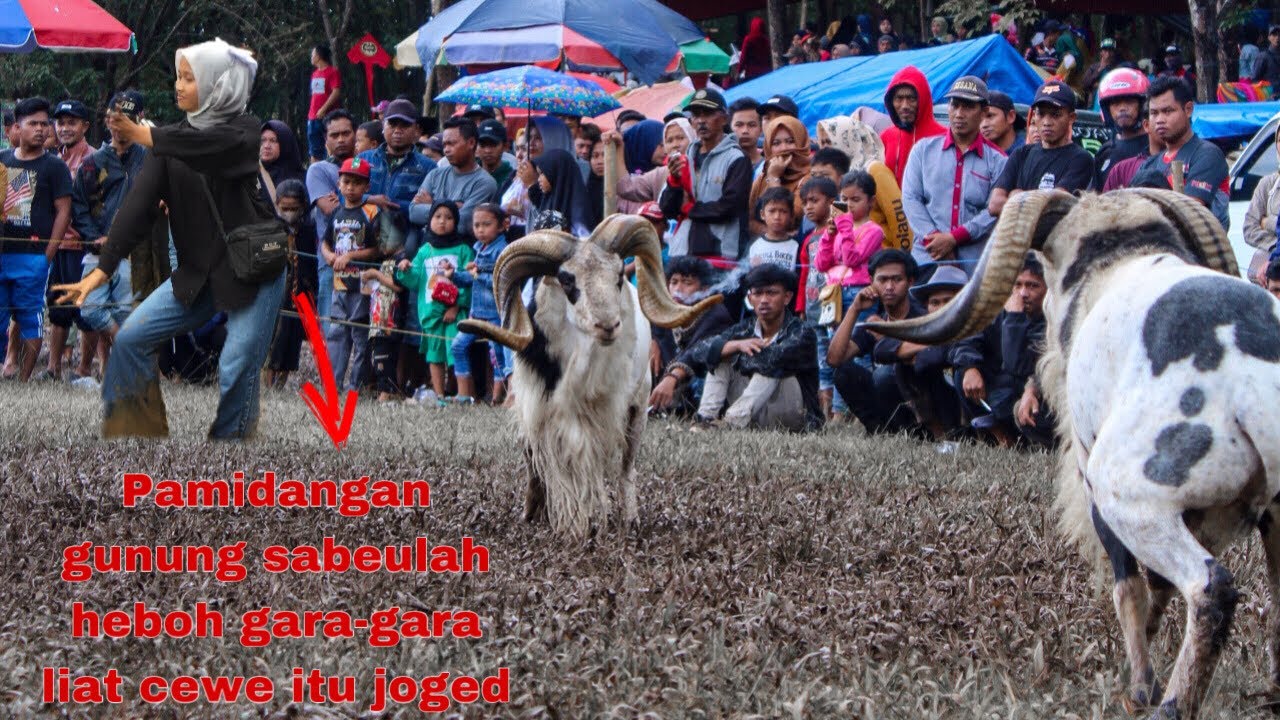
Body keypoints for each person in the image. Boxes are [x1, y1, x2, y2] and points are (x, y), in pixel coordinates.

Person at [54, 39, 284, 438]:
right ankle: (136, 433)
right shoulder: (164, 145)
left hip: (254, 269)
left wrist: (147, 137)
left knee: (237, 361)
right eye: (178, 77)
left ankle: (230, 448)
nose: (178, 86)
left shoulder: (244, 131)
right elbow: (135, 209)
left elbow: (207, 146)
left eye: (189, 79)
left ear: (214, 85)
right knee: (131, 339)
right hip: (199, 274)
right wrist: (102, 268)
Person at [651, 264, 822, 431]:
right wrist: (735, 345)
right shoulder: (744, 329)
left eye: (771, 293)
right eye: (758, 293)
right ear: (749, 299)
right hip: (756, 415)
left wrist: (731, 352)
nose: (763, 300)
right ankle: (705, 420)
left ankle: (730, 422)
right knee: (720, 357)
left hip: (793, 415)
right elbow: (700, 351)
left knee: (769, 366)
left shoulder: (802, 331)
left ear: (787, 297)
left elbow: (772, 360)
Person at [69, 91, 153, 383]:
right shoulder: (93, 163)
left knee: (127, 313)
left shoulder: (152, 159)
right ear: (107, 121)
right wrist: (94, 236)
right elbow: (78, 206)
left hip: (137, 253)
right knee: (90, 309)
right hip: (99, 251)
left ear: (139, 119)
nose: (120, 125)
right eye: (115, 119)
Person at [0, 98, 72, 382]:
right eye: (33, 124)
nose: (41, 129)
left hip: (33, 257)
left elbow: (63, 210)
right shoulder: (2, 160)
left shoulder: (54, 166)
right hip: (2, 251)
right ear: (17, 127)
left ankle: (23, 379)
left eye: (45, 123)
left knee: (30, 318)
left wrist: (48, 254)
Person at [901, 75, 1005, 272]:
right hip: (926, 258)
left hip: (973, 265)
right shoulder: (923, 150)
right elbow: (910, 199)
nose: (959, 113)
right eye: (954, 105)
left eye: (967, 107)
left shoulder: (999, 161)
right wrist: (935, 240)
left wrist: (953, 239)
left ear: (984, 112)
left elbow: (994, 211)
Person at [949, 253, 1048, 447]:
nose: (1023, 293)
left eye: (1032, 286)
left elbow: (1017, 366)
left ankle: (1033, 441)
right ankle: (1002, 438)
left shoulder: (1050, 319)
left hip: (1031, 390)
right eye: (1017, 285)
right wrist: (970, 367)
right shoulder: (996, 309)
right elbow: (964, 341)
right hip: (1000, 388)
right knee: (963, 372)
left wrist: (1014, 320)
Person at [827, 249, 923, 434]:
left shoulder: (921, 317)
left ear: (910, 282)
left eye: (897, 280)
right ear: (871, 282)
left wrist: (889, 336)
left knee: (885, 375)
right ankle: (879, 430)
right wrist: (854, 309)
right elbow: (834, 359)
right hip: (887, 406)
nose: (889, 287)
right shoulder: (877, 320)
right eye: (882, 280)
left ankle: (915, 431)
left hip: (919, 404)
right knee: (845, 373)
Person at [659, 88, 752, 265]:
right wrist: (674, 182)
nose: (701, 121)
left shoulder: (736, 159)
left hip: (719, 253)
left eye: (708, 114)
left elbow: (730, 207)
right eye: (696, 115)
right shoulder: (685, 158)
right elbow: (668, 209)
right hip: (683, 251)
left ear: (724, 118)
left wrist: (690, 209)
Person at [395, 201, 474, 406]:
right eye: (437, 216)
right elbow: (415, 280)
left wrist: (456, 307)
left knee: (456, 349)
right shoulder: (425, 250)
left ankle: (462, 392)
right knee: (434, 352)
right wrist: (404, 269)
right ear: (429, 220)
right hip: (430, 312)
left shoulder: (463, 249)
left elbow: (469, 280)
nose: (442, 222)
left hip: (454, 312)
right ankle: (439, 395)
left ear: (455, 222)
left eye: (448, 218)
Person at [42, 99, 96, 381]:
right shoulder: (53, 159)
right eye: (60, 123)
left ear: (85, 126)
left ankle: (84, 368)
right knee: (57, 307)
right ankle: (53, 368)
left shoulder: (95, 159)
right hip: (57, 245)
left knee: (85, 310)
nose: (64, 128)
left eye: (71, 122)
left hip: (83, 246)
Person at [1135, 76, 1230, 229]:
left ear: (1188, 110)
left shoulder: (1207, 154)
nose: (1159, 119)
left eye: (1167, 111)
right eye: (1154, 113)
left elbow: (1188, 213)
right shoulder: (1149, 165)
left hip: (1200, 249)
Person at [322, 156, 383, 392]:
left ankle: (356, 386)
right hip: (340, 283)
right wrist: (328, 255)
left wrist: (351, 256)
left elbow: (380, 248)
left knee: (359, 333)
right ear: (339, 183)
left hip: (363, 282)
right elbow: (326, 242)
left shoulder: (372, 212)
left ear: (367, 187)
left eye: (357, 183)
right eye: (346, 182)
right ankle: (333, 384)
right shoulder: (336, 213)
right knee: (337, 331)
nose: (350, 187)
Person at [988, 82, 1094, 217]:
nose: (1046, 122)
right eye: (1041, 114)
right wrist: (1031, 201)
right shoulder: (1021, 154)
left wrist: (1017, 196)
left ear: (1071, 118)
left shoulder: (1080, 159)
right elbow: (994, 204)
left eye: (1055, 115)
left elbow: (1055, 207)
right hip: (1014, 235)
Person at [648, 255, 735, 414]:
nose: (678, 289)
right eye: (674, 282)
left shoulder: (716, 314)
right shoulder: (666, 311)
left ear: (703, 289)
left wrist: (672, 378)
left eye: (687, 283)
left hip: (698, 387)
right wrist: (652, 341)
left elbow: (697, 351)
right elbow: (654, 327)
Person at [895, 265, 967, 440]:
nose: (941, 308)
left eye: (948, 301)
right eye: (935, 303)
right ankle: (939, 433)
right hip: (942, 396)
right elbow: (883, 350)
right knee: (901, 367)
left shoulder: (980, 325)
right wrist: (921, 348)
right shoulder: (923, 326)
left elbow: (942, 355)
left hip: (983, 399)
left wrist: (928, 350)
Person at [448, 203, 510, 404]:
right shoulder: (478, 248)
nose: (481, 230)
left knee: (498, 355)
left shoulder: (502, 250)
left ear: (501, 226)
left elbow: (500, 283)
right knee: (458, 346)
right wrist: (454, 275)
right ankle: (464, 394)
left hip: (495, 314)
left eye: (487, 224)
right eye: (476, 225)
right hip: (476, 313)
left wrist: (477, 275)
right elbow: (469, 279)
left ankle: (498, 398)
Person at [304, 109, 356, 330]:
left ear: (356, 133)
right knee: (331, 328)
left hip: (370, 261)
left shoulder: (369, 166)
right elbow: (331, 210)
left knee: (368, 334)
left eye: (346, 133)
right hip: (332, 260)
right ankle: (328, 367)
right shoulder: (319, 170)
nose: (341, 139)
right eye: (335, 135)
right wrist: (370, 201)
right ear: (325, 139)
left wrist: (342, 197)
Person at [264, 179, 317, 390]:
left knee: (290, 343)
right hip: (276, 296)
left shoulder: (308, 231)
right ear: (277, 205)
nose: (289, 213)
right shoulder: (272, 229)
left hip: (299, 297)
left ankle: (280, 384)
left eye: (294, 209)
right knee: (273, 343)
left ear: (303, 206)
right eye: (284, 208)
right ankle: (268, 384)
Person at [410, 117, 497, 240]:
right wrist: (453, 207)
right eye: (444, 144)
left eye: (452, 143)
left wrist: (433, 203)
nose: (446, 150)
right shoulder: (435, 175)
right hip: (427, 248)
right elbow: (413, 212)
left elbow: (462, 224)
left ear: (471, 143)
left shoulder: (485, 183)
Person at [358, 98, 435, 216]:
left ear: (416, 130)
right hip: (365, 230)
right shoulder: (361, 159)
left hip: (406, 232)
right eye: (392, 124)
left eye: (405, 125)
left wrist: (395, 205)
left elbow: (435, 209)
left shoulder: (429, 167)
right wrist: (369, 199)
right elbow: (342, 195)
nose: (398, 131)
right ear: (383, 126)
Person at [880, 65, 946, 185]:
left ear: (923, 99)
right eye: (899, 99)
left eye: (911, 98)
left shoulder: (944, 137)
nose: (904, 105)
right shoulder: (886, 137)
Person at [750, 115, 811, 233]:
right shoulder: (762, 177)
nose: (784, 148)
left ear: (801, 142)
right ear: (768, 147)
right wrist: (771, 235)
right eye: (776, 143)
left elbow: (790, 220)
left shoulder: (810, 178)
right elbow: (748, 218)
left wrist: (774, 179)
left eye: (790, 141)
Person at [1092, 68, 1150, 190]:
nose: (1122, 108)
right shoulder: (1104, 152)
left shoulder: (1155, 146)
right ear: (1107, 109)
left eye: (1129, 101)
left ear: (1143, 105)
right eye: (1116, 103)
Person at [1245, 126, 1280, 282]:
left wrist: (1268, 222)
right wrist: (1275, 249)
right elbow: (1249, 227)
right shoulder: (1267, 185)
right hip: (1267, 279)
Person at [531, 149, 593, 235]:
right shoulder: (547, 199)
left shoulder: (578, 212)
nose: (539, 179)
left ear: (555, 173)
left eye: (542, 173)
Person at [748, 188, 800, 270]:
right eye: (772, 211)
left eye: (783, 211)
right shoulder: (755, 246)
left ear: (791, 215)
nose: (777, 217)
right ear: (762, 214)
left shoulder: (796, 246)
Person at [306, 45, 342, 162]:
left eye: (313, 54)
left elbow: (336, 92)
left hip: (328, 116)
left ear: (319, 56)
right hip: (313, 116)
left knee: (330, 146)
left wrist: (323, 109)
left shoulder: (332, 72)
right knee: (314, 149)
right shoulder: (315, 74)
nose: (311, 57)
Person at [259, 120, 305, 204]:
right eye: (263, 140)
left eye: (273, 141)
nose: (266, 146)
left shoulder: (300, 179)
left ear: (285, 144)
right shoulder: (253, 176)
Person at [475, 118, 515, 195]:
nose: (487, 150)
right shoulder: (470, 172)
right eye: (482, 145)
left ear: (505, 146)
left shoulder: (511, 178)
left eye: (493, 144)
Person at [1081, 38, 1121, 105]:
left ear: (1113, 53)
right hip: (1093, 103)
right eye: (1105, 50)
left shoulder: (1117, 70)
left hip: (1110, 103)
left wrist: (1099, 85)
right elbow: (1084, 84)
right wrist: (1099, 70)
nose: (1108, 54)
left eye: (1110, 51)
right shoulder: (1093, 67)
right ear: (1101, 52)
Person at [728, 98, 764, 172]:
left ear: (761, 129)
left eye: (752, 125)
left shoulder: (769, 164)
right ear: (730, 127)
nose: (745, 131)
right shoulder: (722, 164)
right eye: (739, 125)